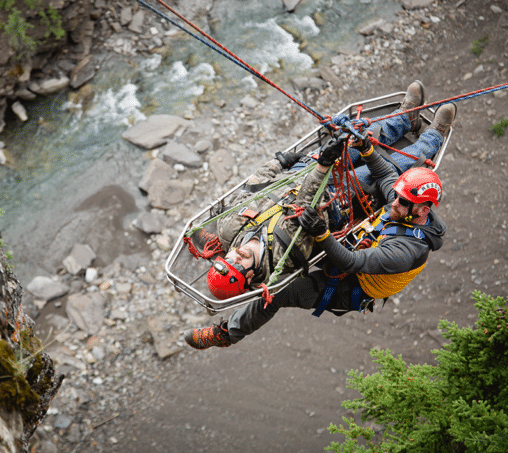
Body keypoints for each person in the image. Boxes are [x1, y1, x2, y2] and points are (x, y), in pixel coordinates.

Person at [185, 83, 455, 350]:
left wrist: (282, 163)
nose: (236, 255)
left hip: (300, 180)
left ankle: (404, 118)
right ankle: (434, 137)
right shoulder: (283, 255)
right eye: (238, 263)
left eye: (228, 258)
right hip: (335, 222)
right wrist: (327, 168)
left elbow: (251, 190)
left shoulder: (233, 233)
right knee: (388, 170)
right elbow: (341, 245)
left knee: (358, 140)